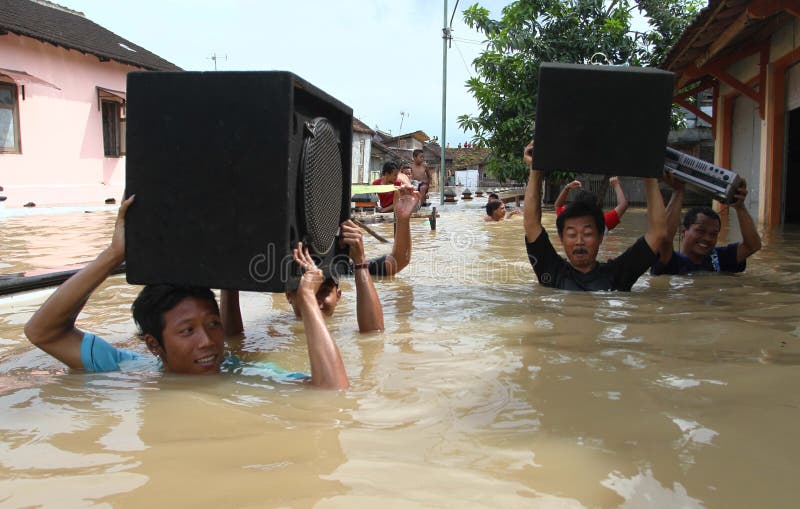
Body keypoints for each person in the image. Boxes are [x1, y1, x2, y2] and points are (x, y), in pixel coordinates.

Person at [24, 196, 349, 389]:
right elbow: (43, 332)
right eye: (187, 331)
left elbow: (332, 394)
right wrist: (113, 255)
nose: (208, 341)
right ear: (154, 345)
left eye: (212, 324)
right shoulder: (126, 368)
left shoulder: (243, 372)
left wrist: (306, 299)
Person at [222, 185, 420, 333]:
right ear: (288, 296)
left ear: (339, 295)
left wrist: (402, 221)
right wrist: (229, 274)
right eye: (308, 290)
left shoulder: (338, 267)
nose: (316, 302)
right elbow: (233, 341)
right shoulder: (275, 329)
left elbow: (374, 334)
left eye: (324, 292)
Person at [523, 142, 667, 291]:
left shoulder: (618, 274)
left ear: (600, 236)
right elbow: (531, 223)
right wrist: (535, 169)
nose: (579, 242)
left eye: (587, 234)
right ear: (561, 238)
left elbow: (658, 233)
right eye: (572, 234)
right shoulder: (551, 272)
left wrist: (650, 176)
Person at [651, 174, 761, 275]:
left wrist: (740, 207)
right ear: (683, 232)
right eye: (700, 231)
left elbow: (752, 246)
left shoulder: (719, 258)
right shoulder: (671, 260)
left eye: (713, 234)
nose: (707, 238)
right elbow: (664, 238)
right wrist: (678, 191)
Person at [553, 176, 629, 232]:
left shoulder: (566, 220)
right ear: (595, 207)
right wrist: (616, 184)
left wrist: (567, 188)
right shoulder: (601, 222)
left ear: (574, 205)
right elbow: (623, 205)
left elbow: (557, 205)